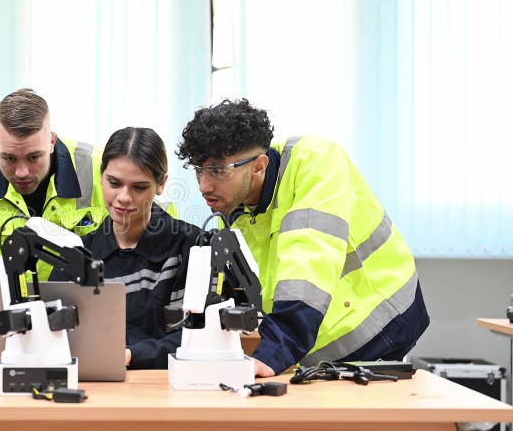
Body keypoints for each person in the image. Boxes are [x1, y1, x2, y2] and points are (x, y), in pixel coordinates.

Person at [176, 98, 430, 377]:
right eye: (199, 169)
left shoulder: (316, 160)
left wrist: (276, 349)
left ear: (259, 166)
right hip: (316, 347)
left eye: (217, 170)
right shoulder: (237, 206)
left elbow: (309, 262)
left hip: (380, 325)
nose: (203, 185)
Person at [77, 127, 201, 369]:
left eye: (139, 187)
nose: (123, 197)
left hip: (174, 387)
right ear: (101, 176)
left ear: (161, 184)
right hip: (96, 388)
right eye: (114, 183)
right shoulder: (80, 253)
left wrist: (132, 355)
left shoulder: (193, 245)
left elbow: (201, 335)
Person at [0, 89, 107, 271]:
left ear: (52, 141)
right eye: (9, 158)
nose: (22, 172)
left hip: (85, 296)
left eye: (34, 157)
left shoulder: (101, 169)